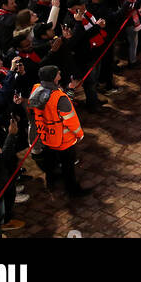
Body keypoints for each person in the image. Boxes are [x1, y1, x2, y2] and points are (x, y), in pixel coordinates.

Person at [27, 64, 91, 196]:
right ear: (53, 78)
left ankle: (51, 181)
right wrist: (80, 134)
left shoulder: (36, 89)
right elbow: (71, 120)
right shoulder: (60, 97)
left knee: (50, 163)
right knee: (68, 167)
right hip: (63, 141)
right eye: (58, 74)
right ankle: (73, 191)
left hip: (45, 136)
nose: (60, 75)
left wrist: (70, 90)